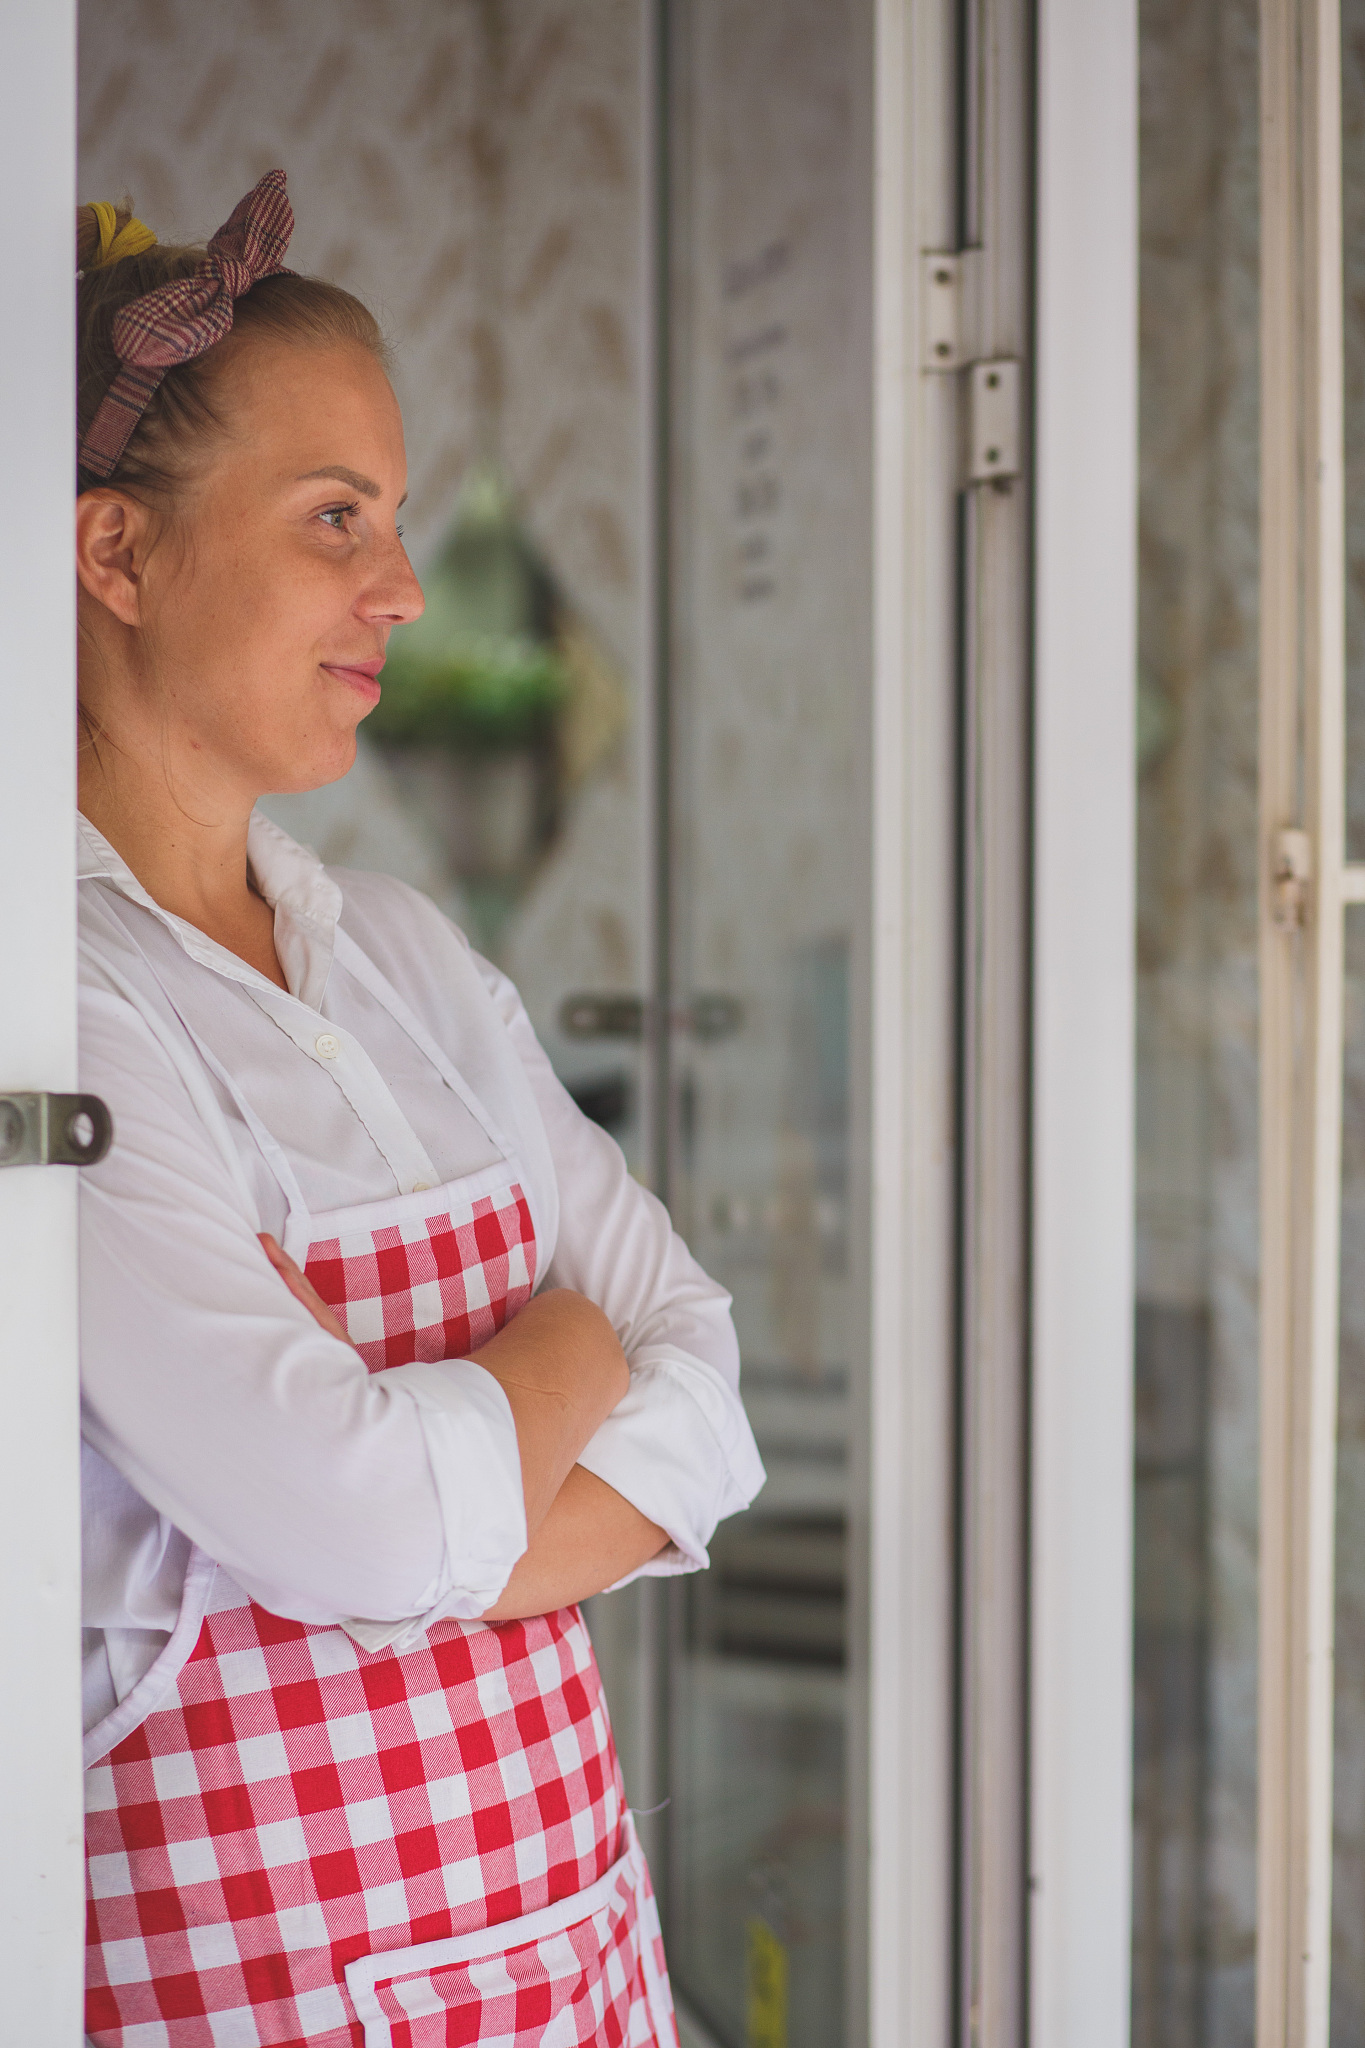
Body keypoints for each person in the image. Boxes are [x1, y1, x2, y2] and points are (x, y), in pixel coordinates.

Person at [76, 171, 763, 2047]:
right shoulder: (51, 1007)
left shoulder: (395, 950)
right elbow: (371, 1518)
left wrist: (430, 1509)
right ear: (116, 558)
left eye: (385, 516)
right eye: (331, 520)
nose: (401, 587)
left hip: (576, 1962)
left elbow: (701, 1380)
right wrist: (557, 1352)